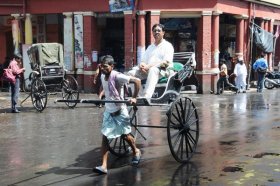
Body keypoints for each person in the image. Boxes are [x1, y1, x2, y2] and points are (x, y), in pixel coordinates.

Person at [93, 55, 141, 174]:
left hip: (120, 111)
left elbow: (137, 81)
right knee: (105, 137)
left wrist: (134, 98)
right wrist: (100, 96)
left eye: (105, 67)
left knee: (126, 136)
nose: (103, 69)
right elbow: (104, 87)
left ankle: (136, 150)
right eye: (101, 66)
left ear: (112, 66)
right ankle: (104, 166)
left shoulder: (118, 76)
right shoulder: (103, 76)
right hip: (108, 112)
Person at [127, 23, 174, 98]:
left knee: (153, 70)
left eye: (159, 30)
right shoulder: (150, 47)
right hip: (147, 69)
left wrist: (149, 66)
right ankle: (139, 95)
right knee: (130, 73)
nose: (156, 32)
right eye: (154, 31)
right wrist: (142, 65)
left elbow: (166, 62)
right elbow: (143, 60)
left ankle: (147, 96)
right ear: (152, 33)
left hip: (163, 70)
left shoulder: (168, 46)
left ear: (163, 33)